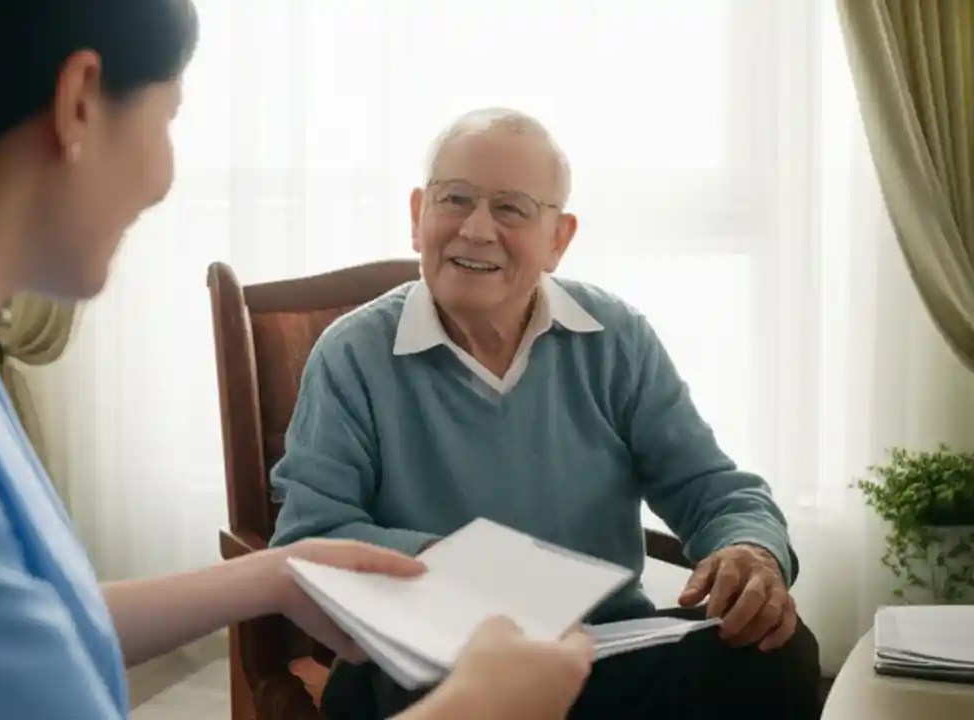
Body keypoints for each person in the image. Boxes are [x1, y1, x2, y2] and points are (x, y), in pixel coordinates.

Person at [0, 3, 595, 719]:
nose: (164, 176)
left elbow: (28, 624)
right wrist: (482, 707)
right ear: (80, 100)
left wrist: (273, 575)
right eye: (169, 119)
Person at [269, 107, 824, 719]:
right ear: (416, 216)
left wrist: (751, 548)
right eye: (455, 199)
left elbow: (711, 487)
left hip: (600, 649)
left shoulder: (616, 337)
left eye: (511, 209)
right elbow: (310, 536)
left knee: (781, 652)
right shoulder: (352, 354)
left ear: (558, 240)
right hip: (435, 663)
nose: (476, 230)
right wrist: (471, 569)